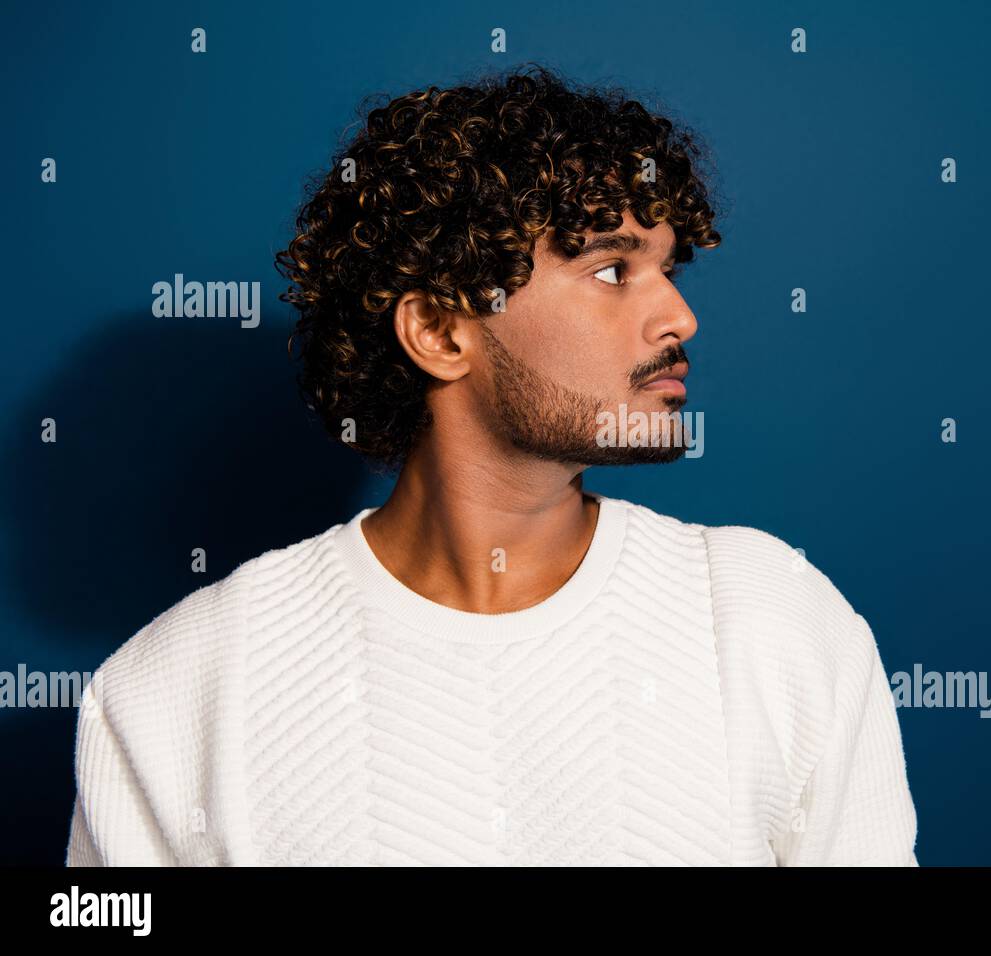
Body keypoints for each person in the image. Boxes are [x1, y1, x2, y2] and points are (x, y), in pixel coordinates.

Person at [65, 63, 918, 866]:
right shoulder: (175, 691)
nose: (680, 318)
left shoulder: (776, 622)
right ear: (440, 332)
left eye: (670, 269)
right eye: (613, 269)